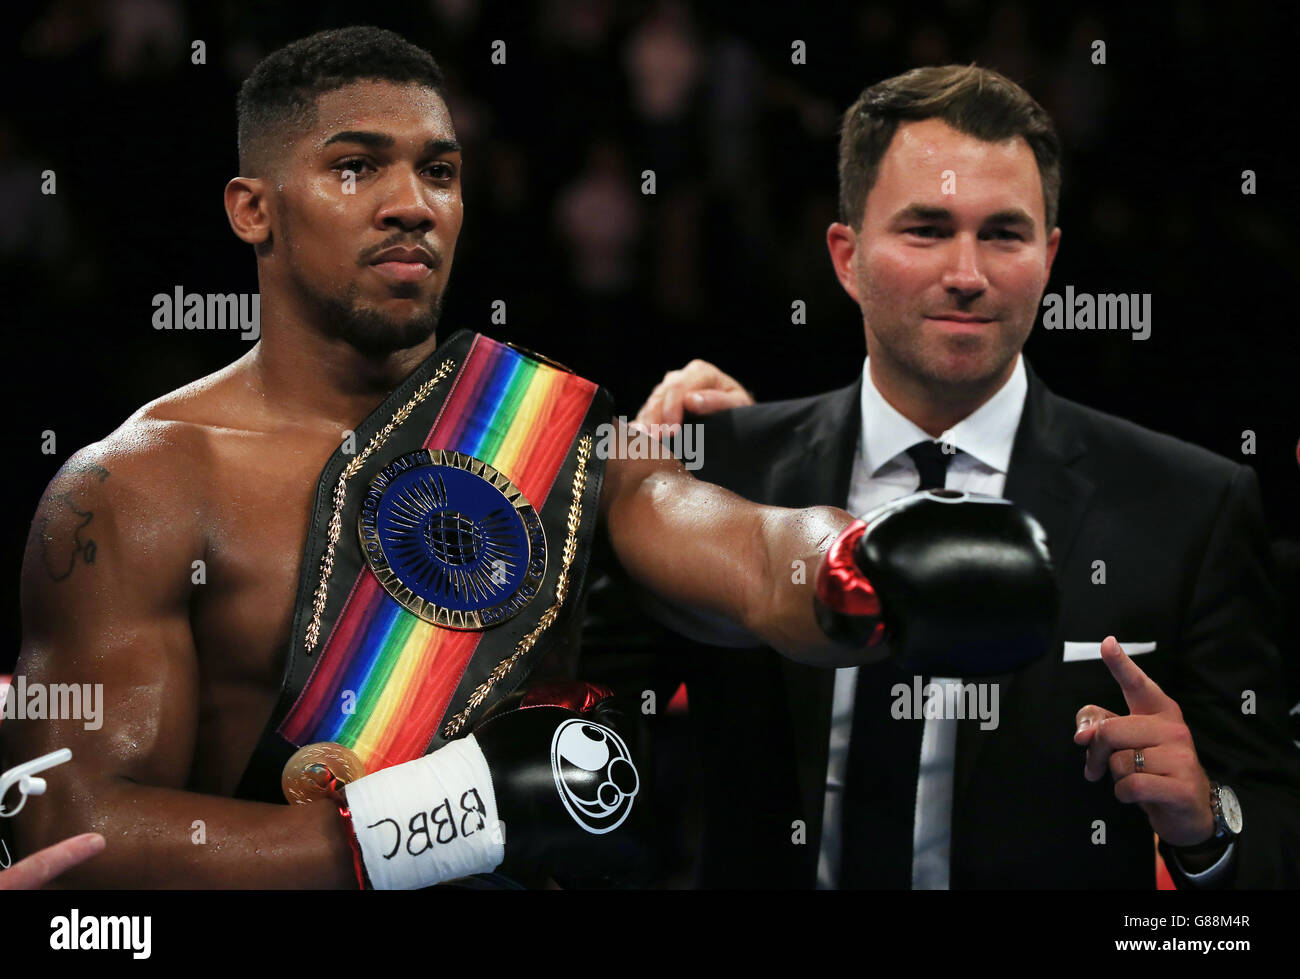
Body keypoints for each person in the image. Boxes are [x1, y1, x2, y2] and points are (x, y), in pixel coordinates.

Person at [2, 29, 1044, 890]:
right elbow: (75, 831)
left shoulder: (551, 436)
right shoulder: (137, 486)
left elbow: (739, 543)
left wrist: (859, 563)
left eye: (439, 170)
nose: (412, 202)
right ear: (253, 208)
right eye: (356, 165)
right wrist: (425, 826)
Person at [625, 64, 1300, 889]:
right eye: (926, 229)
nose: (968, 273)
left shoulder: (1190, 506)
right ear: (846, 256)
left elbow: (1271, 822)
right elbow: (597, 737)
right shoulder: (726, 474)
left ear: (1049, 257)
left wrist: (1206, 825)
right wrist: (642, 466)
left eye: (1004, 234)